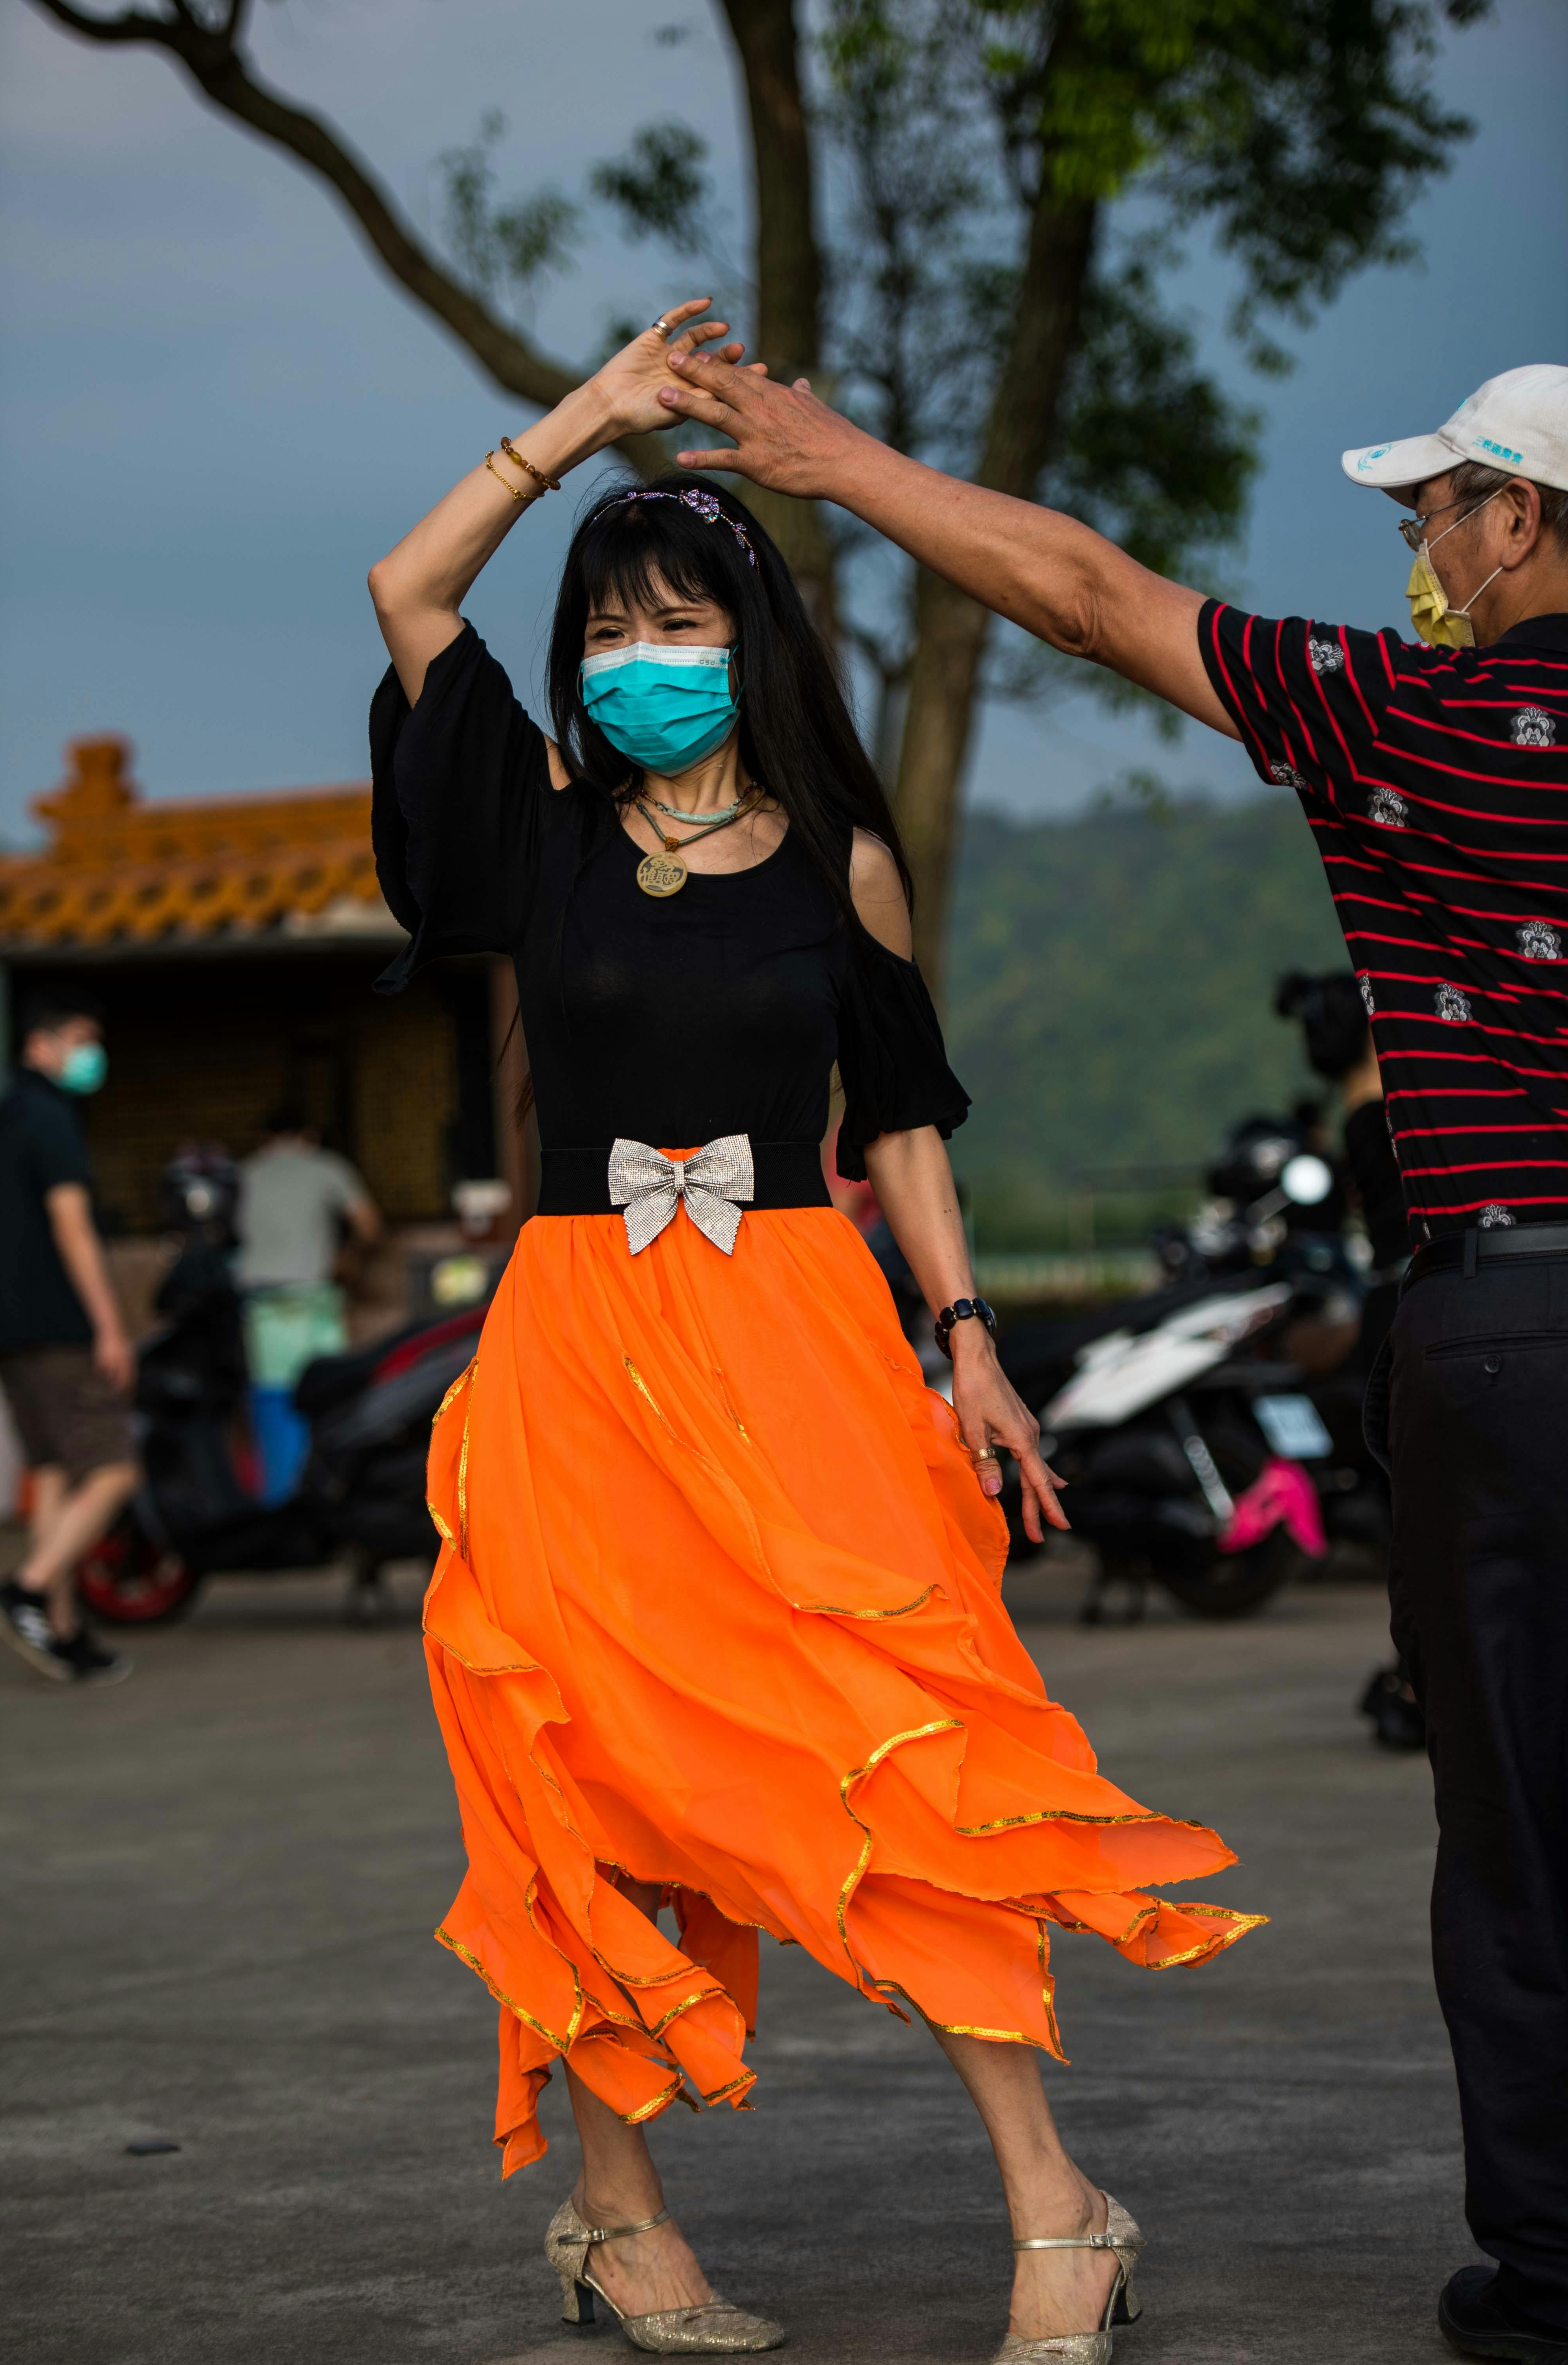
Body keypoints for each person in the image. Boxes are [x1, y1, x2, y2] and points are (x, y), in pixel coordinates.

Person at [368, 300, 1259, 2363]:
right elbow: (412, 587)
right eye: (608, 636)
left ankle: (1062, 2209)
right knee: (581, 1777)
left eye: (675, 625)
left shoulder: (843, 871)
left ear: (747, 642)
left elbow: (913, 1119)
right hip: (581, 1355)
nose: (631, 666)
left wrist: (967, 1336)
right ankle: (613, 2215)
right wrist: (597, 416)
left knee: (908, 1749)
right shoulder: (536, 832)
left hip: (801, 1337)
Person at [658, 349, 1568, 2360]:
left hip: (1510, 1328)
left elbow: (1079, 593)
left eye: (1431, 507)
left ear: (1514, 520)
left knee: (1516, 1820)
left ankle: (1555, 2279)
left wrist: (830, 460)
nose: (1412, 544)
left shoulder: (1402, 713)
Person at [1274, 970, 1423, 1753]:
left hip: (1382, 1304)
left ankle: (1420, 1673)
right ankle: (1423, 1679)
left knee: (1415, 1510)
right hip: (1411, 1301)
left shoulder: (1353, 1114)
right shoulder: (1391, 1113)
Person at [0, 993, 137, 1685]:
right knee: (114, 1469)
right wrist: (109, 1326)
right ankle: (27, 1587)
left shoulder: (4, 1117)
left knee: (54, 1470)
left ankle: (61, 1627)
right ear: (42, 1045)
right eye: (82, 1040)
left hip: (11, 1329)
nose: (91, 1055)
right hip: (58, 1328)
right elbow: (72, 1225)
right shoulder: (51, 1119)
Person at [235, 1106, 382, 1502]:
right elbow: (368, 1225)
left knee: (276, 1402)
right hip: (316, 1301)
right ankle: (337, 1496)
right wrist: (347, 1261)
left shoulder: (245, 1174)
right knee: (332, 1399)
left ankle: (283, 1500)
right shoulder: (327, 1167)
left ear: (263, 1139)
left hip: (264, 1308)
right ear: (310, 1135)